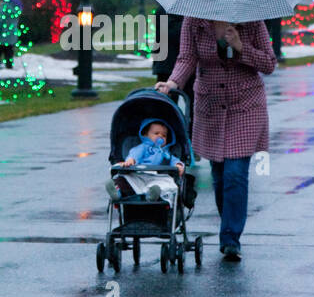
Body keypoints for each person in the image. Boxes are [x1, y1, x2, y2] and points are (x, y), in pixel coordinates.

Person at [155, 17, 276, 262]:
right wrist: (173, 81)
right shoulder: (194, 21)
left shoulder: (251, 19)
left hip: (246, 105)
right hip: (210, 104)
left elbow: (269, 63)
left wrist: (241, 46)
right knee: (220, 176)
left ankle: (231, 239)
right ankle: (229, 224)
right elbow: (186, 57)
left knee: (235, 173)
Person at [106, 119, 187, 204]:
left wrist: (178, 165)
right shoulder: (143, 147)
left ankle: (152, 194)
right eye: (156, 133)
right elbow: (135, 154)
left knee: (168, 185)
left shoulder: (166, 152)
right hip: (139, 175)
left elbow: (174, 160)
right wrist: (131, 160)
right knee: (125, 179)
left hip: (158, 178)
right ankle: (118, 191)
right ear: (145, 135)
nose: (160, 137)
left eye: (164, 135)